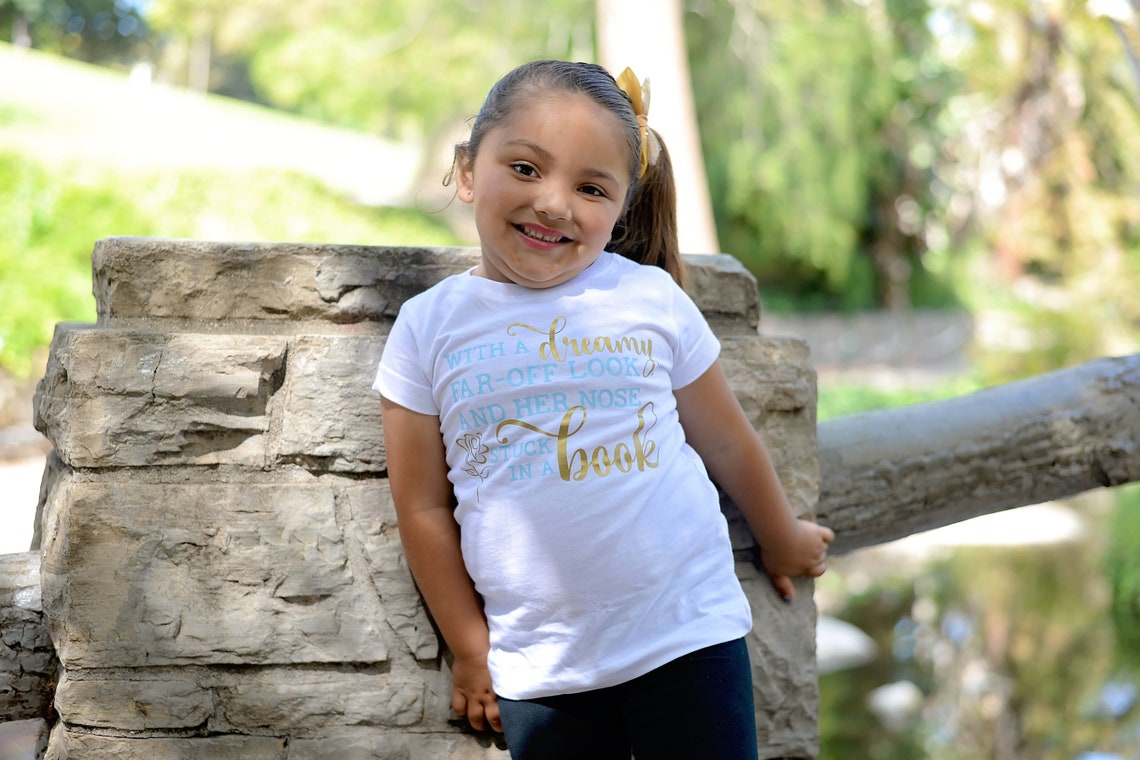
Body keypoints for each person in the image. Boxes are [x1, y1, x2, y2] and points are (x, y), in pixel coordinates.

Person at [374, 59, 834, 760]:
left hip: (688, 635)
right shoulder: (426, 327)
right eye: (525, 168)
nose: (555, 203)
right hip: (543, 669)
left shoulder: (647, 300)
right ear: (467, 170)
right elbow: (424, 509)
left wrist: (780, 535)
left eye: (590, 187)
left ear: (621, 208)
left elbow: (729, 443)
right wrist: (470, 649)